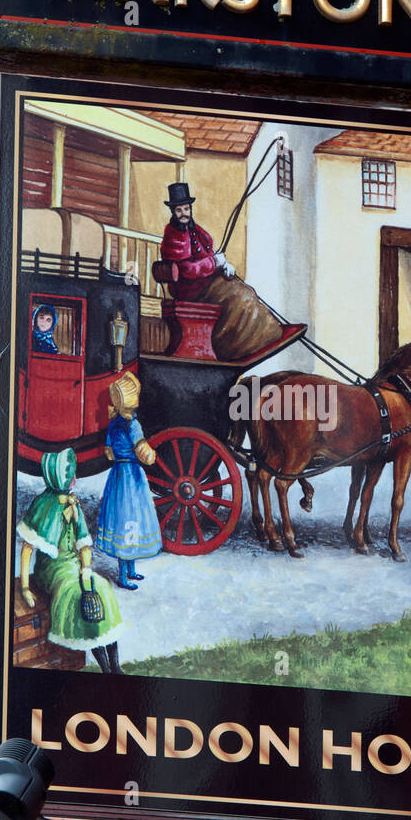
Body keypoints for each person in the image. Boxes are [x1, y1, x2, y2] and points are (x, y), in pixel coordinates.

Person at [17, 446, 124, 673]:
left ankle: (116, 665)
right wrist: (26, 587)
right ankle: (105, 667)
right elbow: (27, 549)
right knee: (76, 595)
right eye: (71, 474)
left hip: (74, 565)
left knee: (101, 587)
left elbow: (83, 544)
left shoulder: (73, 504)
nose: (74, 478)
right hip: (52, 569)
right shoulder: (42, 504)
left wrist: (86, 567)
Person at [159, 181, 283, 360]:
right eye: (179, 210)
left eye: (186, 209)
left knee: (245, 290)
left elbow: (204, 253)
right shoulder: (173, 235)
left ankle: (267, 333)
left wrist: (222, 265)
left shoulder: (193, 229)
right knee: (239, 297)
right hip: (191, 290)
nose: (184, 214)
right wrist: (214, 263)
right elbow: (187, 269)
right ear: (173, 212)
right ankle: (239, 347)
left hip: (206, 281)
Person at [95, 370, 163, 587]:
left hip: (118, 474)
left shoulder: (114, 422)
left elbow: (108, 451)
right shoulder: (132, 424)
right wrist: (151, 456)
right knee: (131, 517)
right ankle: (124, 576)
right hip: (132, 476)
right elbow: (143, 450)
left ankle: (130, 570)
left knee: (121, 518)